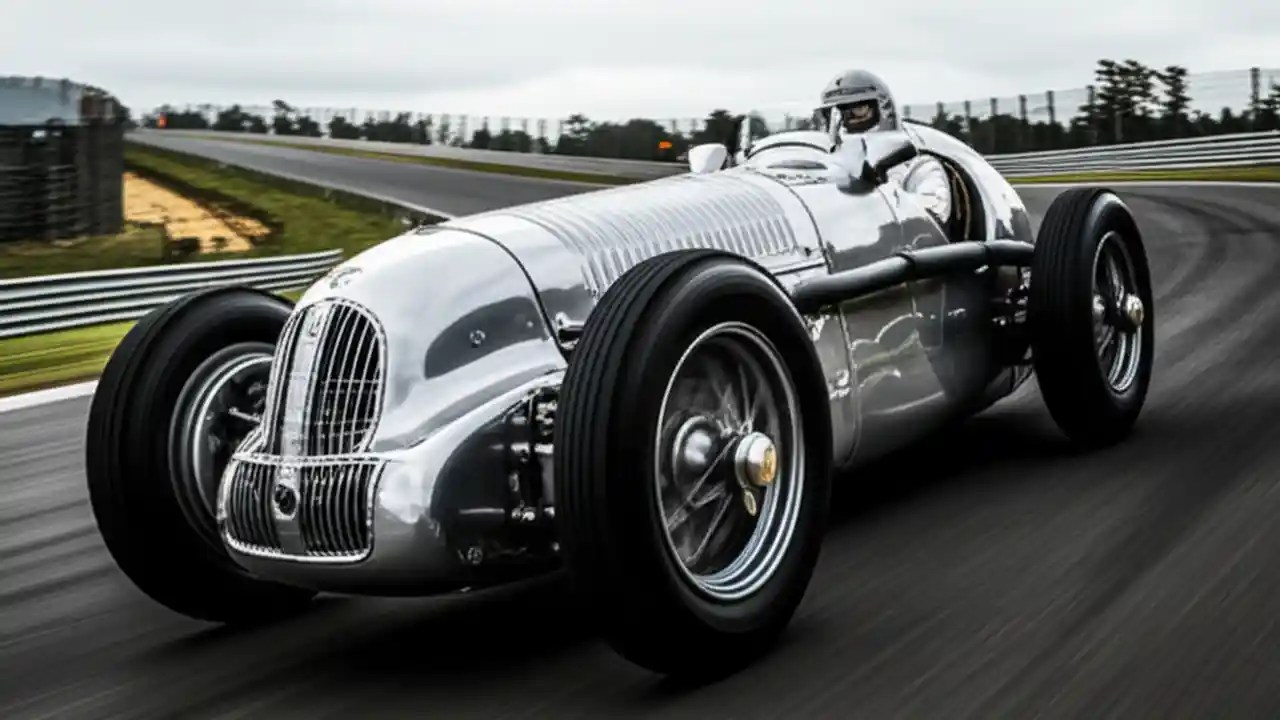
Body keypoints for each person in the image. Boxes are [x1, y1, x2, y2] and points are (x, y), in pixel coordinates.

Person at [817, 69, 952, 225]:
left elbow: (931, 221)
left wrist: (880, 192)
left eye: (859, 109)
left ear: (883, 109)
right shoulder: (831, 170)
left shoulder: (922, 168)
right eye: (840, 114)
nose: (848, 120)